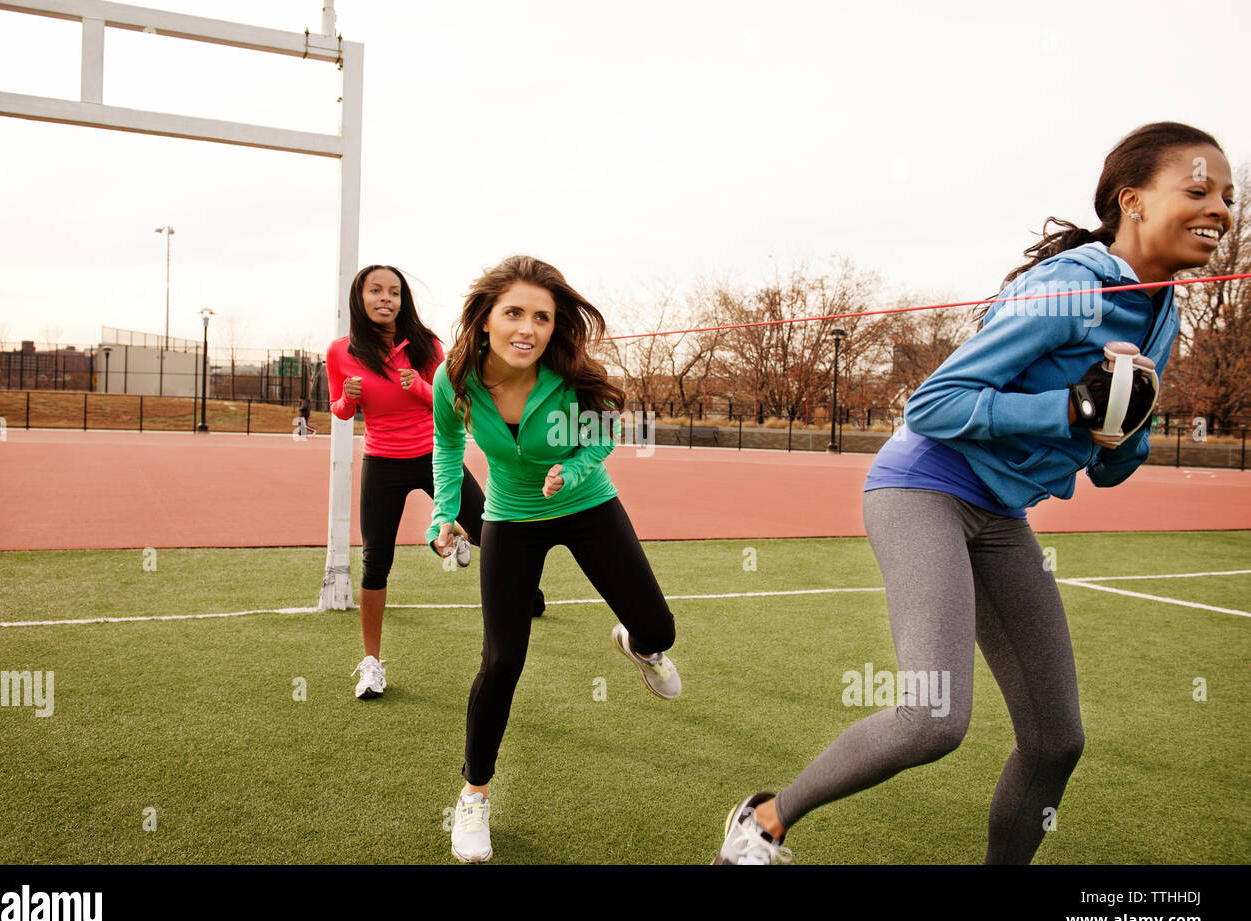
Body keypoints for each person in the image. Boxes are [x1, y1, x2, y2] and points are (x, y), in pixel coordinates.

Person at [715, 122, 1235, 865]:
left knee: (1056, 737)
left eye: (1228, 196)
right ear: (1134, 202)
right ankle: (763, 820)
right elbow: (933, 404)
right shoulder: (1069, 287)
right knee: (932, 717)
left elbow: (1111, 463)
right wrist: (1068, 409)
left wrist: (1125, 427)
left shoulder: (1166, 312)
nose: (1220, 208)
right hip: (923, 485)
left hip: (998, 512)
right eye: (1198, 189)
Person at [430, 255, 681, 863]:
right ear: (485, 319)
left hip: (587, 504)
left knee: (659, 628)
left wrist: (574, 469)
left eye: (541, 317)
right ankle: (474, 796)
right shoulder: (455, 379)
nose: (528, 328)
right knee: (502, 658)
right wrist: (446, 511)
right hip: (511, 517)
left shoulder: (567, 376)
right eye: (513, 312)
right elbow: (447, 440)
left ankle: (637, 645)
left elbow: (603, 434)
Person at [327, 264, 544, 701]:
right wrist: (346, 399)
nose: (385, 299)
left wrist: (420, 387)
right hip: (382, 462)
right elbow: (341, 411)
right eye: (376, 291)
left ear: (402, 300)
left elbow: (450, 399)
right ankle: (372, 663)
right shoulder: (340, 351)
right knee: (375, 561)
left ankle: (526, 591)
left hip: (433, 456)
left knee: (490, 530)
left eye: (394, 292)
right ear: (360, 298)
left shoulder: (425, 345)